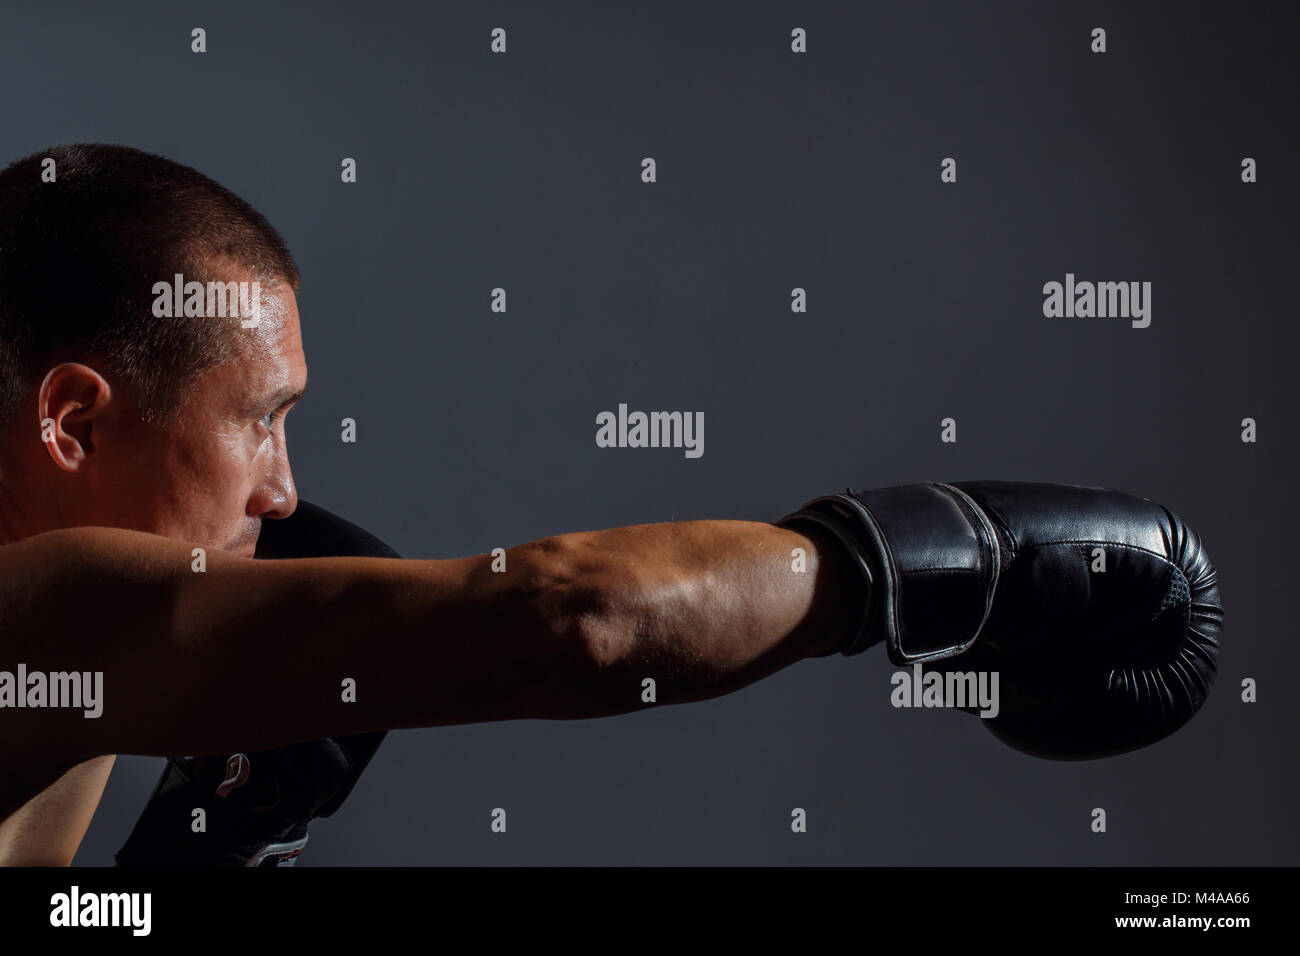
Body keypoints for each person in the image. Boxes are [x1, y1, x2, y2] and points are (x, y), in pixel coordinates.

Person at [0, 144, 1223, 866]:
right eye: (262, 417)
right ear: (75, 423)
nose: (282, 485)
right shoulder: (41, 616)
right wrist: (929, 560)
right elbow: (568, 622)